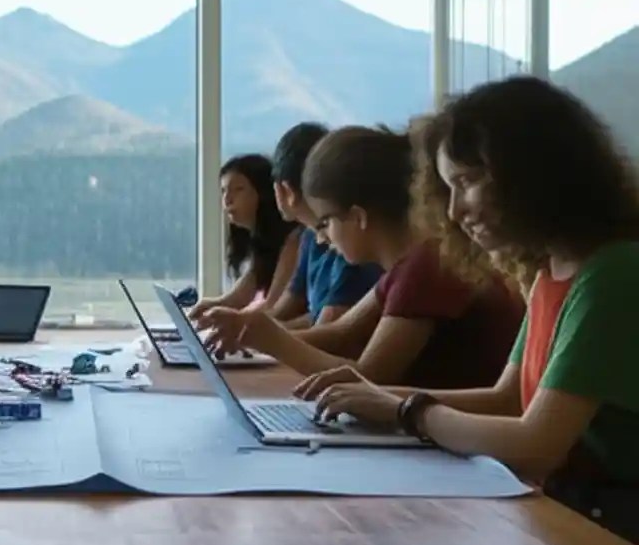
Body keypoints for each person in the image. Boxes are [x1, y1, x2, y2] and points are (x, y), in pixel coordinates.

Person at [297, 78, 639, 543]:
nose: (455, 210)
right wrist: (381, 401)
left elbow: (537, 445)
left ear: (534, 171)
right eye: (447, 188)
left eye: (467, 181)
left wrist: (408, 412)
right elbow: (508, 398)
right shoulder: (553, 271)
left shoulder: (614, 272)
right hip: (571, 508)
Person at [197, 126, 523, 389]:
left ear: (358, 217)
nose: (321, 236)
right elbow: (341, 332)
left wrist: (275, 341)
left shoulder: (429, 268)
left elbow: (370, 377)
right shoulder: (408, 264)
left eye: (325, 222)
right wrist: (253, 332)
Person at [263, 122, 383, 329]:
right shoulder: (308, 238)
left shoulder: (354, 248)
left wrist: (256, 338)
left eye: (325, 224)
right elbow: (312, 316)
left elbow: (334, 333)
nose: (323, 239)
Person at [193, 154, 300, 312]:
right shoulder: (261, 245)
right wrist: (199, 310)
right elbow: (237, 298)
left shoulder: (293, 241)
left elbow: (272, 307)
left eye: (238, 189)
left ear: (264, 192)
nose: (227, 199)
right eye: (223, 191)